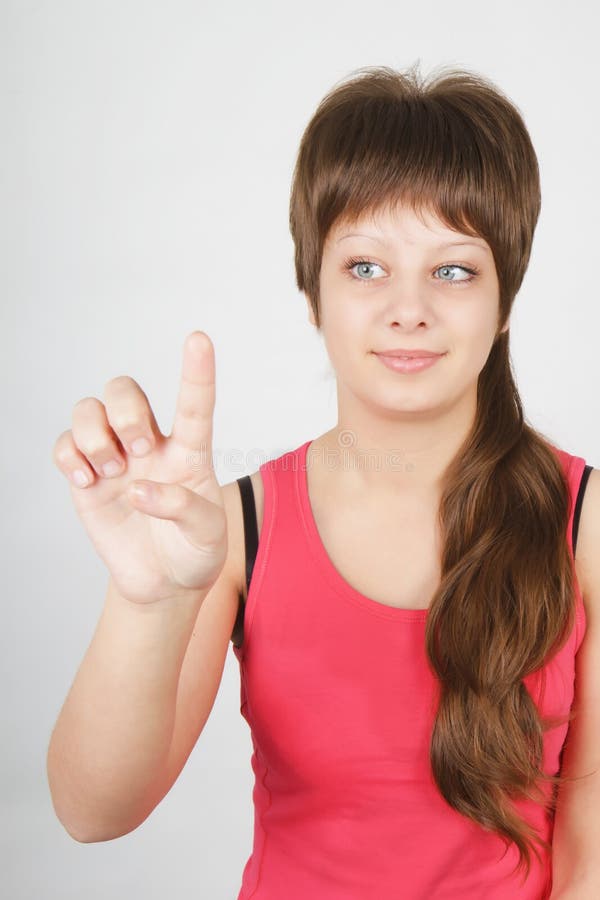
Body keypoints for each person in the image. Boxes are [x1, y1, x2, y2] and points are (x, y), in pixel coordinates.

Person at [46, 63, 599, 899]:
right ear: (312, 293)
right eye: (365, 268)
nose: (407, 309)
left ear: (506, 296)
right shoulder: (234, 525)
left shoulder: (583, 519)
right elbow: (92, 812)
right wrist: (147, 601)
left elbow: (589, 843)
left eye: (453, 271)